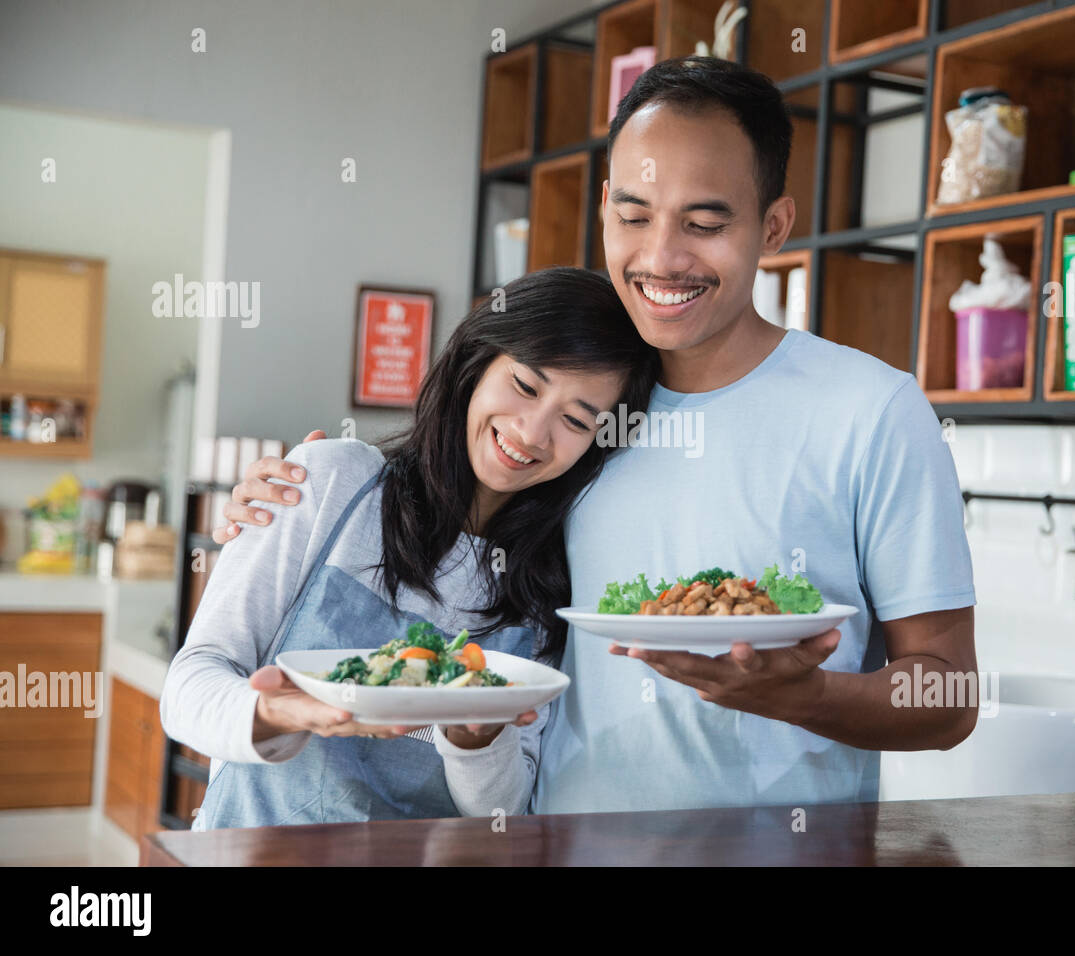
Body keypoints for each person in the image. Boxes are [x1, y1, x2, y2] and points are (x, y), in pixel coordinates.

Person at [214, 57, 978, 815]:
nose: (662, 258)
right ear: (605, 207)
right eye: (635, 216)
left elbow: (949, 694)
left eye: (706, 223)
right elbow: (453, 515)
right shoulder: (584, 408)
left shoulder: (871, 411)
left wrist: (805, 696)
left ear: (773, 226)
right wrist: (291, 495)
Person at [161, 268, 659, 828]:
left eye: (575, 419)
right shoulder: (331, 481)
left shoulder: (549, 586)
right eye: (524, 385)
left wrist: (479, 739)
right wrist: (277, 713)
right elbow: (188, 686)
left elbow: (501, 811)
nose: (532, 432)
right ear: (477, 361)